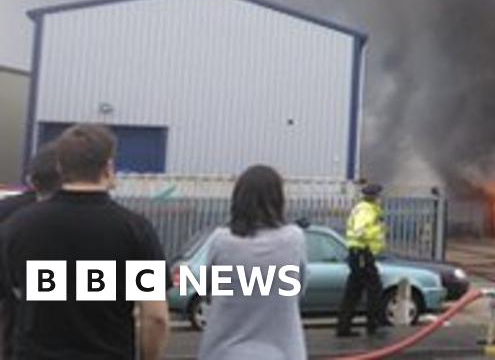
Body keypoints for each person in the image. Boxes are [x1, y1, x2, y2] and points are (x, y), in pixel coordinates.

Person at [0, 124, 169, 359]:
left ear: (60, 167)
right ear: (108, 167)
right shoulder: (135, 230)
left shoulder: (18, 227)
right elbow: (155, 317)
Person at [198, 164, 307, 359]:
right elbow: (299, 291)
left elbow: (208, 292)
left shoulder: (220, 241)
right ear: (278, 200)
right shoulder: (294, 240)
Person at [0, 144, 62, 359]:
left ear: (31, 179)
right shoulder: (129, 224)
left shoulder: (9, 212)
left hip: (20, 329)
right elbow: (155, 311)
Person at [336, 181, 386, 337]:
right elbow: (359, 231)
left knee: (353, 291)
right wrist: (376, 232)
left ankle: (343, 328)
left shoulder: (363, 208)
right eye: (378, 196)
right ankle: (373, 325)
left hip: (357, 254)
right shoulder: (366, 210)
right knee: (374, 288)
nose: (380, 198)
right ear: (375, 196)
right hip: (363, 253)